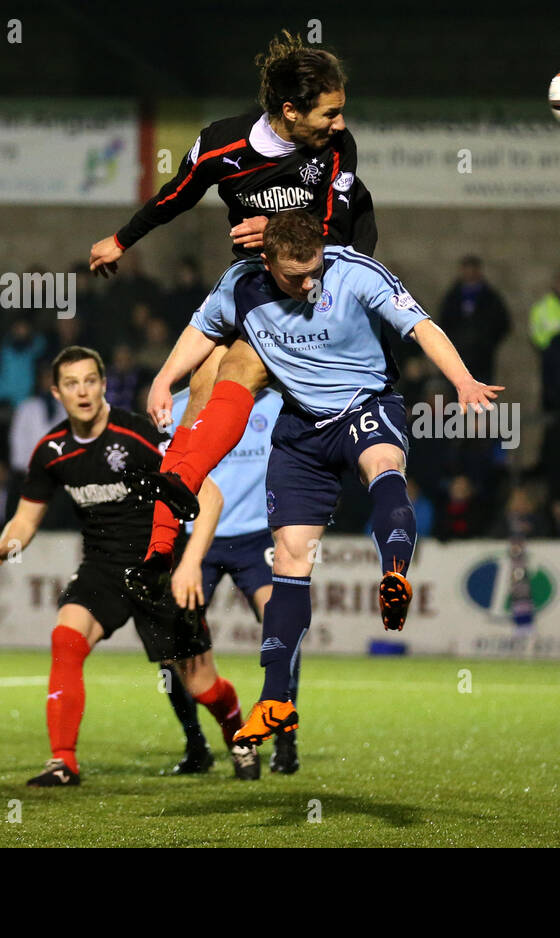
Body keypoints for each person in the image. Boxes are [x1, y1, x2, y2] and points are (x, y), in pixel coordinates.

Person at [131, 210, 500, 754]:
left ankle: (394, 572)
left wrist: (463, 380)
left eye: (314, 271)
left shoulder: (356, 272)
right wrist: (165, 378)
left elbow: (420, 325)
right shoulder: (240, 284)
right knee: (291, 557)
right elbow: (199, 330)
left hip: (365, 403)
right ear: (267, 261)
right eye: (295, 276)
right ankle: (275, 699)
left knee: (384, 469)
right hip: (302, 425)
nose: (309, 283)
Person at [88, 31, 377, 575]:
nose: (339, 123)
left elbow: (338, 224)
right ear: (290, 111)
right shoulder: (223, 146)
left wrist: (275, 228)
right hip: (268, 279)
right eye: (330, 113)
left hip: (333, 270)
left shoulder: (338, 148)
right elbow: (178, 193)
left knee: (246, 374)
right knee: (203, 385)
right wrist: (122, 239)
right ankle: (161, 536)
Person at [0, 346, 253, 786]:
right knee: (66, 638)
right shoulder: (52, 451)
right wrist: (5, 545)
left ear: (104, 384)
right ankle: (63, 763)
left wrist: (190, 565)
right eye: (71, 384)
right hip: (102, 568)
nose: (82, 391)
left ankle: (240, 737)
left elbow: (209, 494)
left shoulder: (138, 435)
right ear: (56, 392)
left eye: (90, 380)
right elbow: (26, 518)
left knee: (201, 684)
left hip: (159, 567)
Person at [159, 385, 301, 776]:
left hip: (258, 536)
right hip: (197, 538)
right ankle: (196, 744)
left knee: (281, 624)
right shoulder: (180, 406)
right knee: (173, 643)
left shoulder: (279, 403)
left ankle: (284, 739)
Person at [436, 256, 510, 386]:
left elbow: (502, 323)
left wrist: (487, 342)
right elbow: (444, 322)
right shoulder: (453, 296)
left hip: (482, 357)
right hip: (457, 354)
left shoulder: (490, 297)